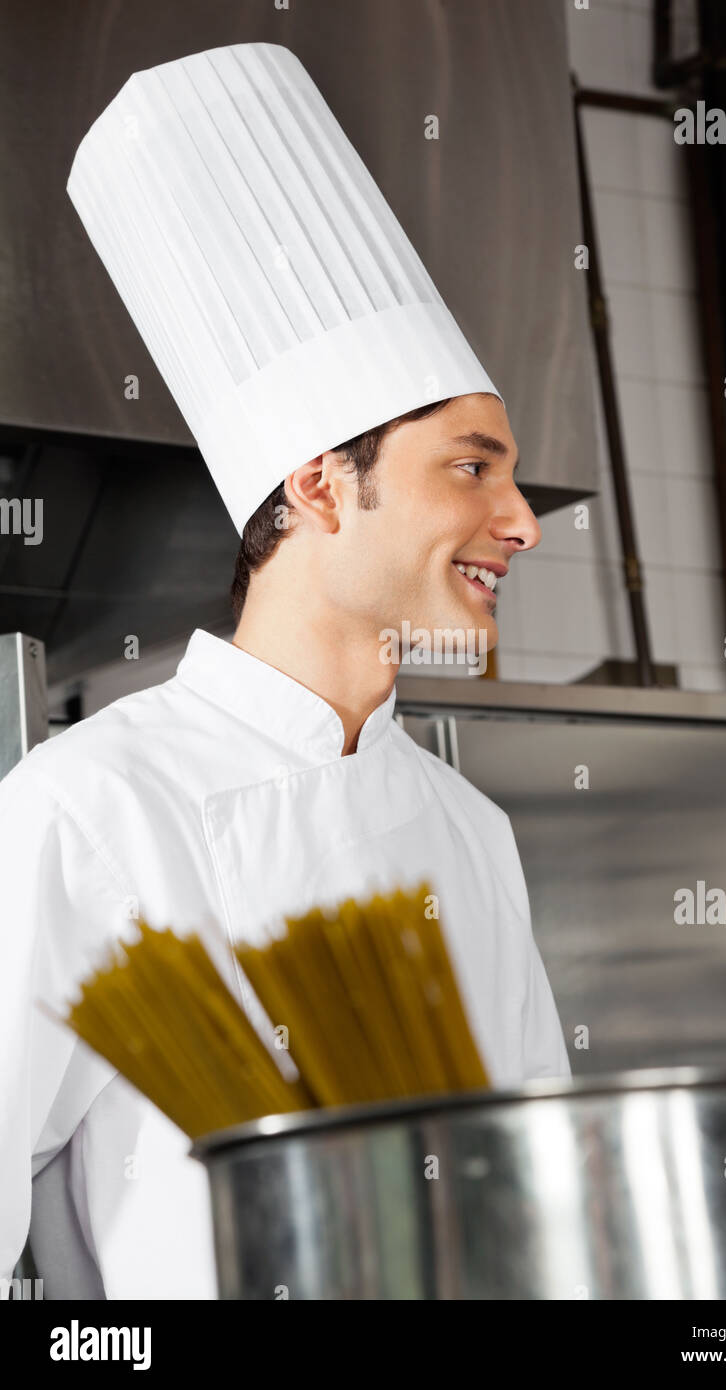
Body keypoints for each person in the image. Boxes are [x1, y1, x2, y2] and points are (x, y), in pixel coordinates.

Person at [0, 43, 570, 1299]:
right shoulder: (87, 807)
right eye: (471, 467)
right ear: (319, 481)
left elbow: (541, 1211)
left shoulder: (467, 832)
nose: (524, 519)